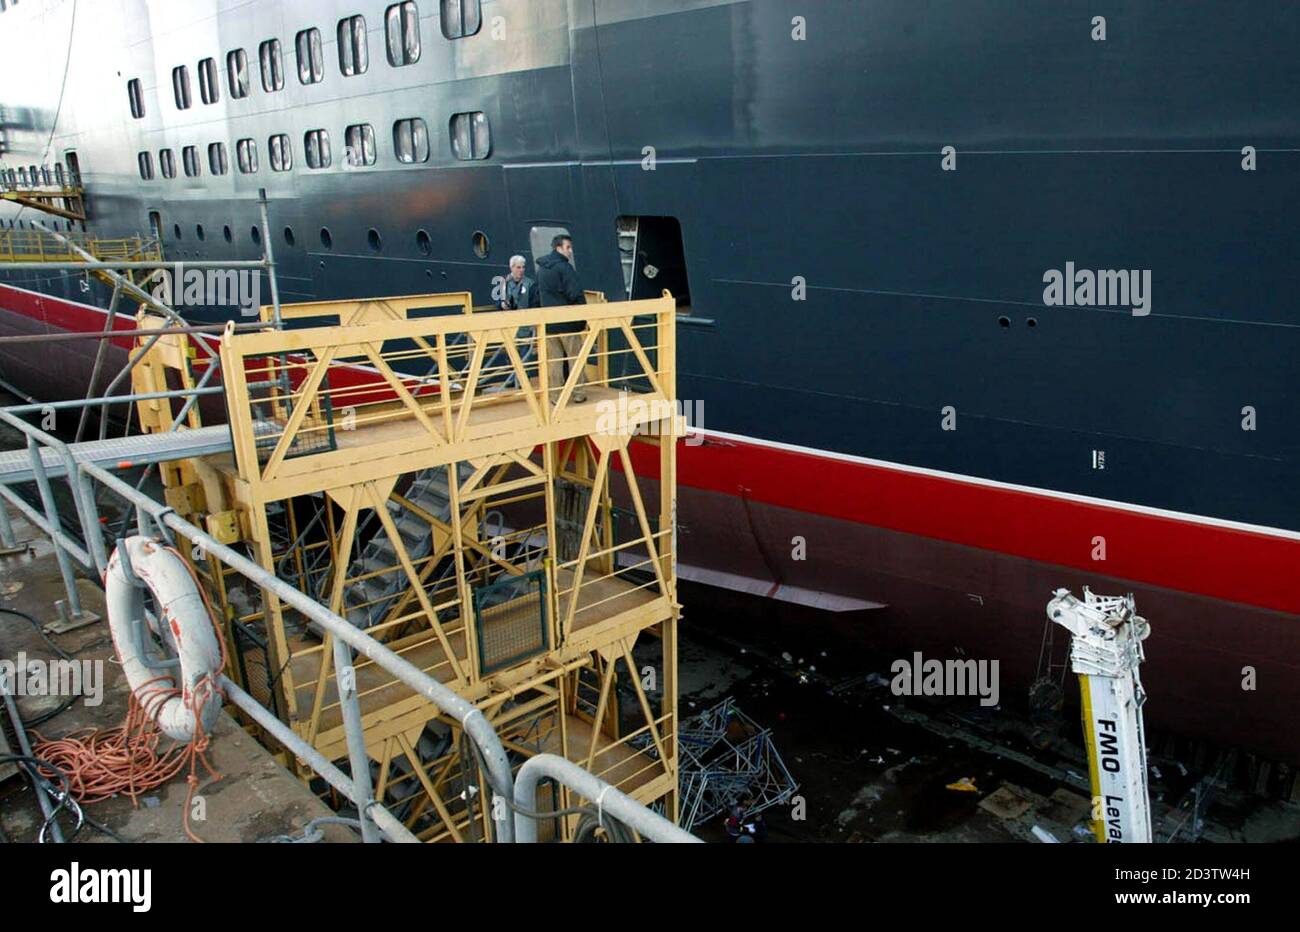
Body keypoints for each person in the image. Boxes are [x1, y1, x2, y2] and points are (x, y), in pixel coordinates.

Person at [535, 234, 588, 403]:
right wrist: (583, 318)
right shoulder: (565, 268)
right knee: (575, 358)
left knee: (554, 361)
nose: (570, 251)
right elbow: (575, 294)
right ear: (558, 248)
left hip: (549, 323)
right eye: (568, 248)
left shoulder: (542, 268)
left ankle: (555, 395)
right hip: (568, 323)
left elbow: (537, 295)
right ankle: (578, 393)